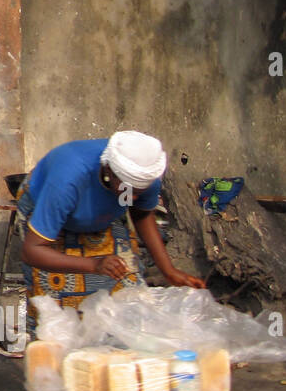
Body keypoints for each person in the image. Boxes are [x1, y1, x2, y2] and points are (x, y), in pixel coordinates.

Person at [17, 131, 207, 328]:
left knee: (127, 301)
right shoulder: (67, 181)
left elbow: (140, 213)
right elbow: (33, 251)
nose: (132, 198)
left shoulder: (143, 174)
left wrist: (168, 270)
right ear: (107, 170)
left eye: (138, 192)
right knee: (58, 317)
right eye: (127, 190)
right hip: (50, 215)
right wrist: (94, 265)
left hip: (101, 215)